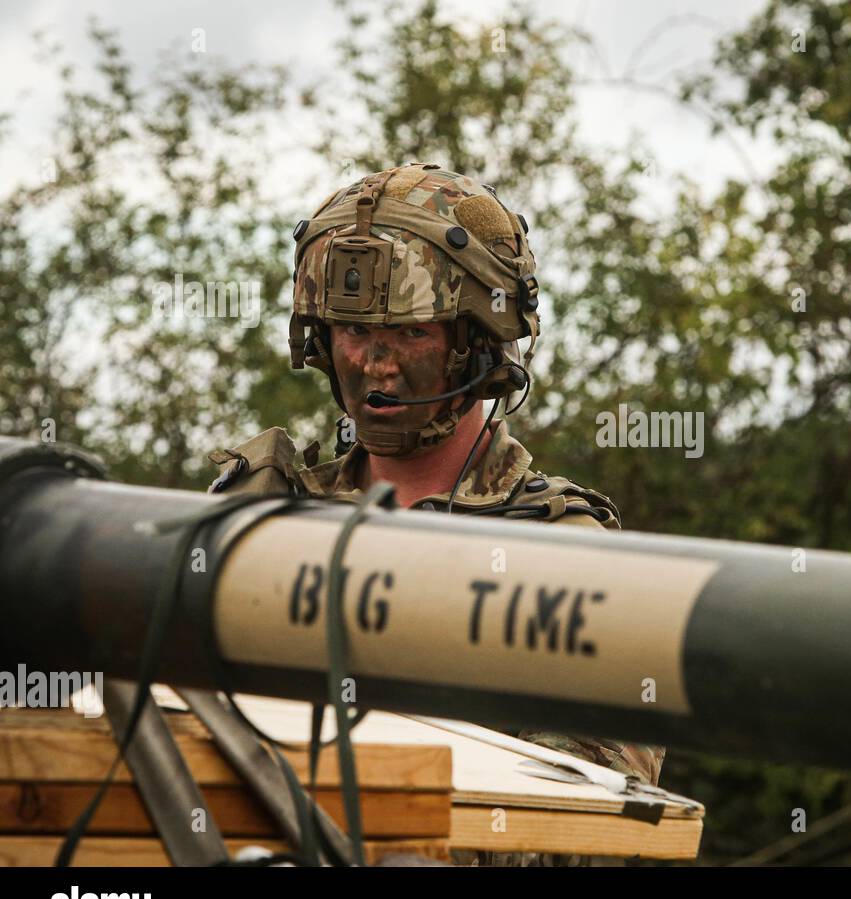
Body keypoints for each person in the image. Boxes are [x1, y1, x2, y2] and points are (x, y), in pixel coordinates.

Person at [207, 162, 664, 863]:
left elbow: (595, 814)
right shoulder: (265, 518)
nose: (377, 366)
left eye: (412, 334)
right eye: (353, 333)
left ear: (480, 343)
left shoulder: (562, 550)